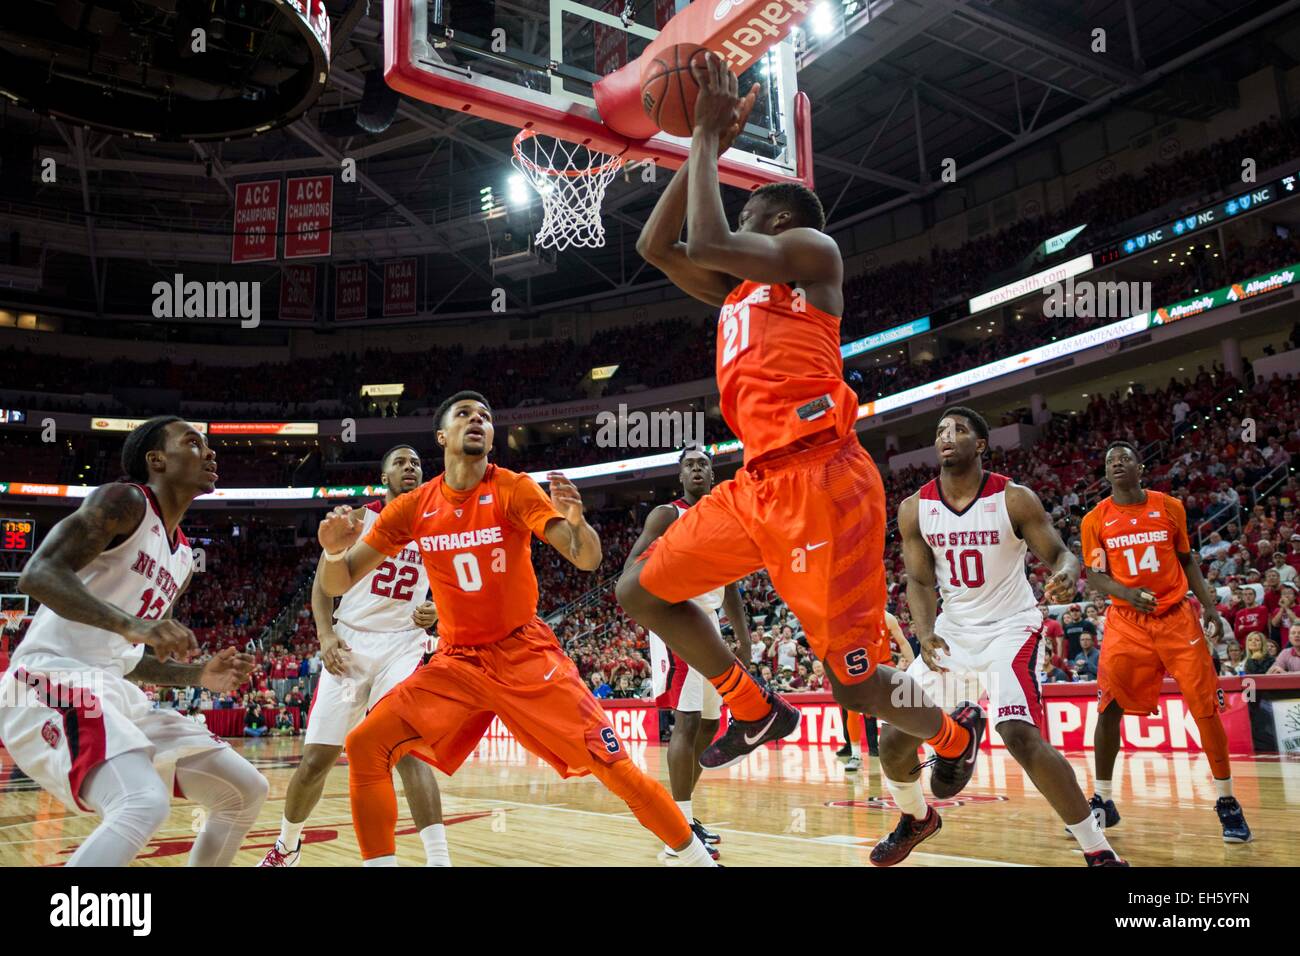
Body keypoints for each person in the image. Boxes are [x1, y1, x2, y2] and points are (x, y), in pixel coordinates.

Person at [617, 54, 982, 792]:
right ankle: (755, 708)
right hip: (756, 487)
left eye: (744, 209)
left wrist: (704, 143)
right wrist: (702, 149)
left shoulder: (814, 253)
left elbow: (711, 241)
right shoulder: (736, 292)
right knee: (640, 589)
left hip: (825, 480)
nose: (730, 215)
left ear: (774, 223)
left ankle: (953, 733)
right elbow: (656, 249)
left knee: (854, 683)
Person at [321, 392, 715, 866]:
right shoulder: (413, 507)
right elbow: (338, 581)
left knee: (612, 765)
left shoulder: (512, 487)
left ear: (491, 436)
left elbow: (585, 558)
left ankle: (698, 860)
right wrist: (332, 551)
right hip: (458, 661)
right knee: (366, 744)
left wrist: (578, 522)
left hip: (524, 654)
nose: (478, 420)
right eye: (465, 414)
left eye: (486, 416)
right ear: (442, 436)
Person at [0, 415, 267, 866]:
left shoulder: (182, 557)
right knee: (142, 802)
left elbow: (129, 657)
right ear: (157, 459)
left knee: (244, 791)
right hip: (47, 678)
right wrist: (134, 626)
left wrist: (199, 674)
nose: (210, 452)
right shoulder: (125, 500)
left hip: (110, 689)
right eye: (193, 443)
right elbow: (38, 574)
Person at [876, 407, 1124, 866]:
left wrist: (1067, 575)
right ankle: (917, 818)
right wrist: (925, 632)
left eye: (960, 429)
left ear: (981, 444)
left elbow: (1061, 555)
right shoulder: (915, 508)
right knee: (892, 738)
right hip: (952, 632)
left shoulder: (1014, 498)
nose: (947, 436)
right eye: (941, 430)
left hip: (1012, 627)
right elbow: (919, 581)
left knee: (1017, 733)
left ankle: (1097, 849)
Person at [260, 445, 446, 868]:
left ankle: (439, 860)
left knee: (407, 751)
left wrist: (439, 608)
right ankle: (287, 847)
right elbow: (323, 586)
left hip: (403, 644)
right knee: (315, 762)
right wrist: (325, 635)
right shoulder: (361, 519)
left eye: (415, 462)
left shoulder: (436, 524)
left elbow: (453, 585)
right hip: (350, 645)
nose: (410, 467)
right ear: (384, 476)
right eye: (399, 462)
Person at [1081, 440, 1252, 844]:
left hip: (1177, 618)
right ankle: (1103, 800)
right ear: (1106, 474)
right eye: (1110, 461)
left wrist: (1209, 607)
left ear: (1141, 467)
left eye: (1124, 458)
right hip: (1127, 621)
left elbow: (1187, 559)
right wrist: (1125, 593)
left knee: (1204, 706)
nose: (1117, 463)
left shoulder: (1170, 507)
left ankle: (1227, 802)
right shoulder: (1095, 519)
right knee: (1108, 708)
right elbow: (1094, 575)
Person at [628, 447, 751, 861]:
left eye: (703, 464)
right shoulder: (666, 515)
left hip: (710, 621)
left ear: (712, 475)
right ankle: (676, 832)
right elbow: (631, 569)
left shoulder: (723, 516)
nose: (696, 469)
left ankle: (684, 819)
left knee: (711, 724)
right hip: (676, 618)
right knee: (687, 720)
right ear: (680, 477)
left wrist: (744, 639)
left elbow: (731, 584)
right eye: (689, 465)